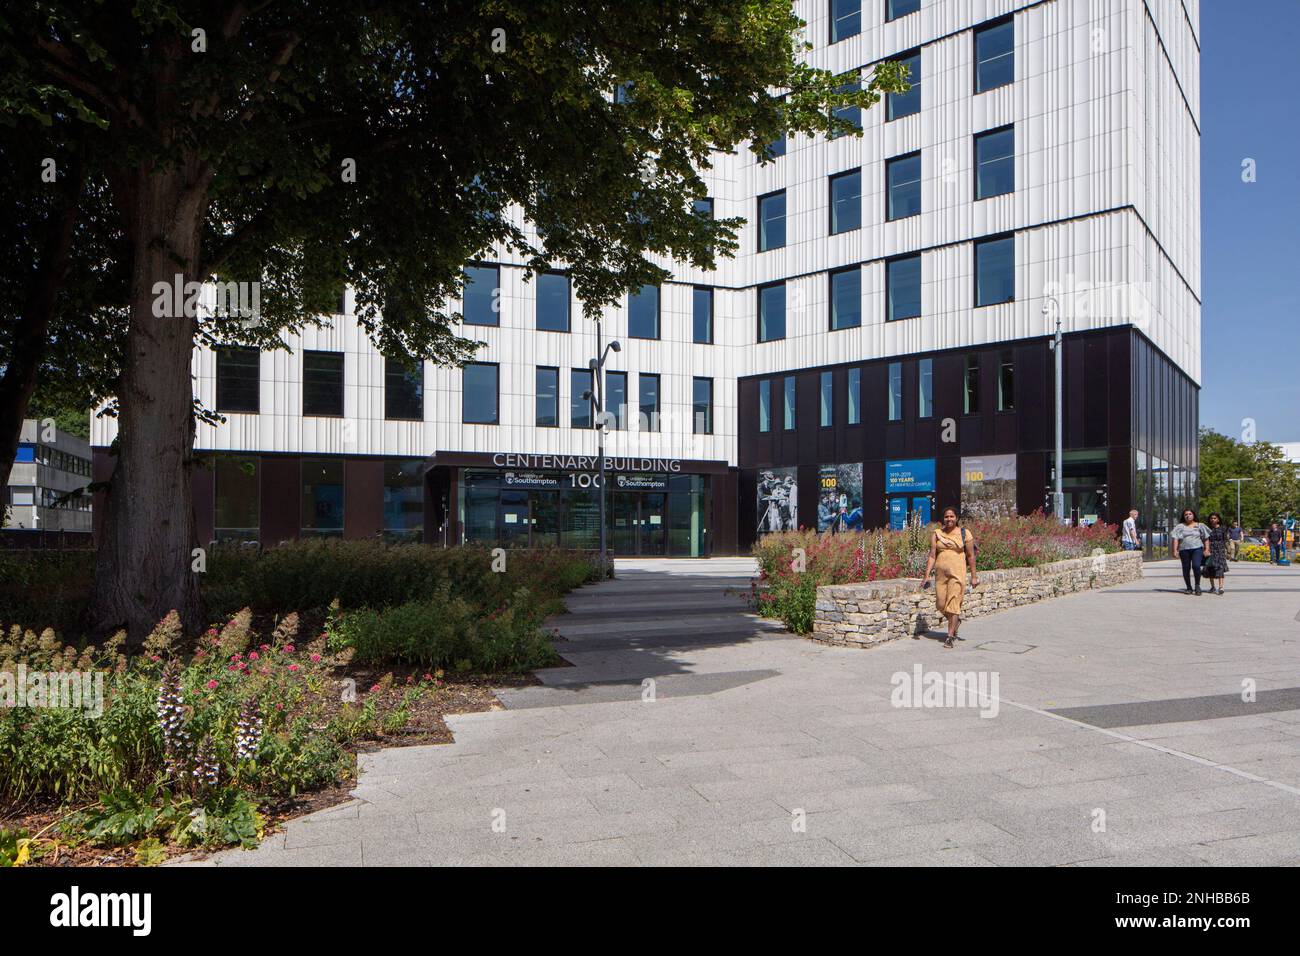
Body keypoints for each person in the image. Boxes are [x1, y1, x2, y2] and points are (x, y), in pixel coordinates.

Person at [922, 507, 978, 649]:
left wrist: (974, 576)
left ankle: (950, 636)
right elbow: (932, 555)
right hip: (941, 575)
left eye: (952, 516)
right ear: (943, 518)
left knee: (953, 603)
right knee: (941, 604)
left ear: (957, 518)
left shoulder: (965, 533)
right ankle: (955, 621)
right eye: (946, 516)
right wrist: (927, 575)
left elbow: (971, 556)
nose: (949, 519)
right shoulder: (937, 534)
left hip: (957, 574)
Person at [1171, 508, 1209, 595]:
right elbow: (1175, 539)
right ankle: (1189, 587)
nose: (1188, 516)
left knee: (1196, 566)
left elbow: (1206, 538)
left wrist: (1207, 549)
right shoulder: (1180, 526)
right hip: (1184, 550)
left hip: (1197, 548)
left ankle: (1197, 586)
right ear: (1183, 516)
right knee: (1186, 568)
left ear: (1193, 515)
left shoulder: (1200, 525)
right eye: (1186, 514)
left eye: (1190, 514)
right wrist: (1174, 550)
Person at [1203, 513, 1230, 595]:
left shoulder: (1223, 528)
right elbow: (1205, 539)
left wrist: (1228, 550)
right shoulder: (1208, 529)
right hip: (1210, 550)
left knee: (1220, 567)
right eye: (1211, 518)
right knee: (1210, 567)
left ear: (1218, 519)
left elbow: (1225, 540)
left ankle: (1221, 587)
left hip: (1220, 550)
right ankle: (1212, 587)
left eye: (1215, 518)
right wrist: (1205, 550)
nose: (1213, 519)